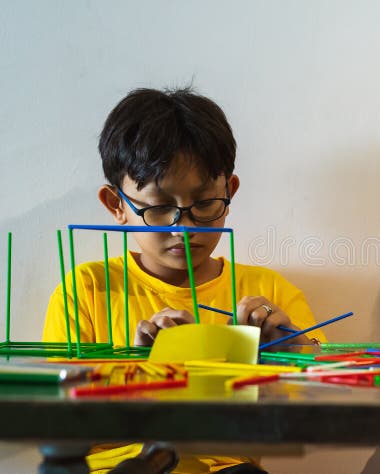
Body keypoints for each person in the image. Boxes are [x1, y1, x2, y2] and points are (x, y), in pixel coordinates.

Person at [42, 87, 325, 473]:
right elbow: (58, 428)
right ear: (116, 205)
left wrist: (289, 355)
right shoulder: (87, 290)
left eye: (205, 203)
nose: (184, 227)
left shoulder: (269, 296)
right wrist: (142, 373)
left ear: (229, 192)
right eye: (158, 207)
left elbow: (319, 412)